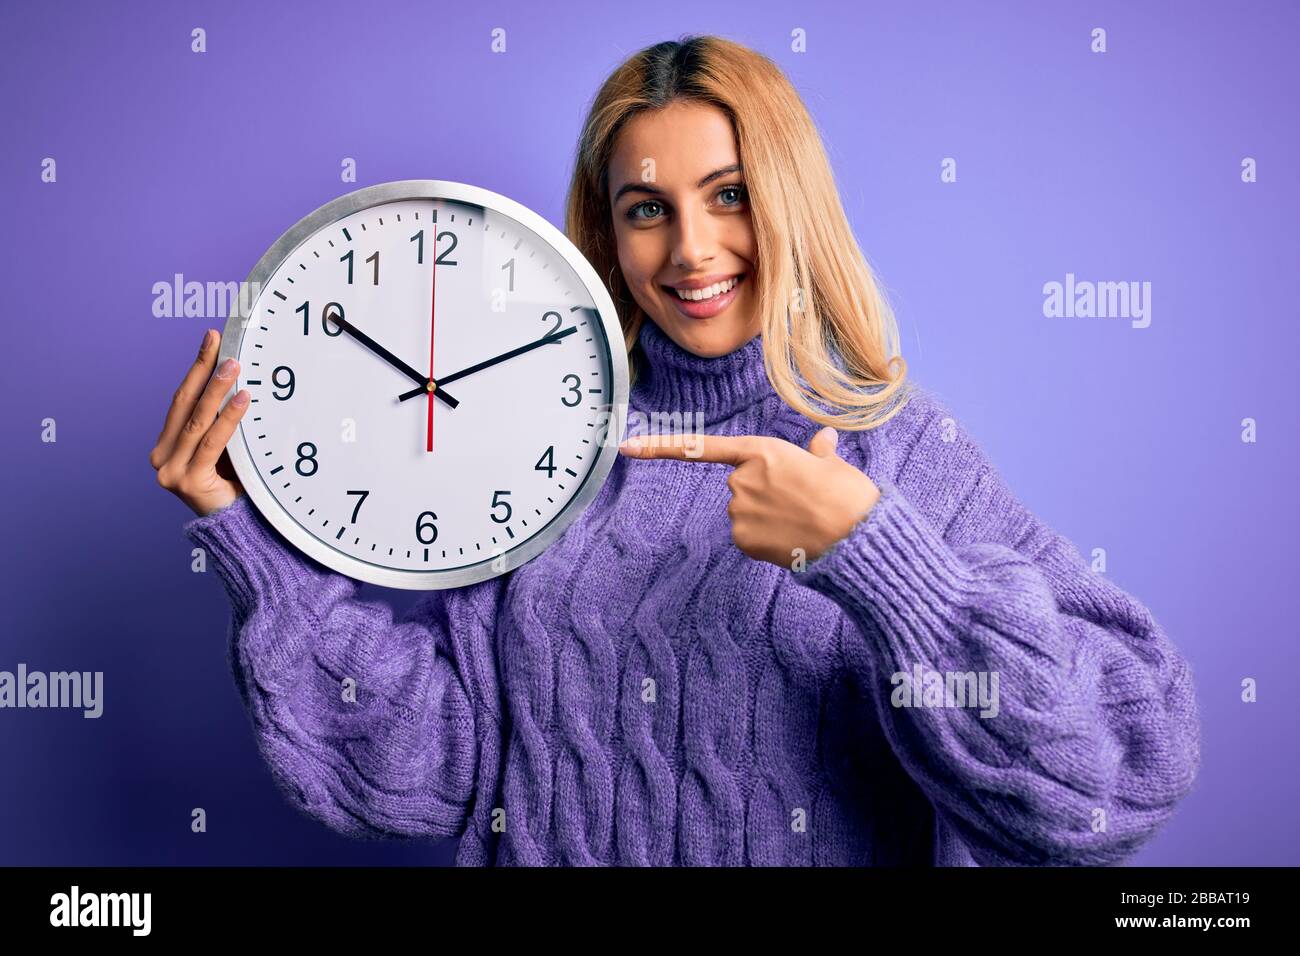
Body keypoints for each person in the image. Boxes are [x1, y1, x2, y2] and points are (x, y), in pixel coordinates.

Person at [150, 35, 1200, 866]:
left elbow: (1112, 788)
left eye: (729, 194)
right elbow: (430, 771)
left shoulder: (899, 451)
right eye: (646, 209)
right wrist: (258, 547)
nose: (691, 249)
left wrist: (873, 555)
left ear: (790, 201)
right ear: (606, 237)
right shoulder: (546, 454)